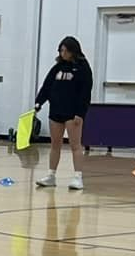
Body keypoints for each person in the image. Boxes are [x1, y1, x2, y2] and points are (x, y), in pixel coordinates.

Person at [34, 36, 93, 190]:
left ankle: (78, 177)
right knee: (55, 145)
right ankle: (51, 175)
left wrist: (80, 113)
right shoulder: (57, 68)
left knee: (75, 145)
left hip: (72, 114)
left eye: (65, 50)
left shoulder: (82, 68)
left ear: (73, 51)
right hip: (56, 112)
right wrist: (39, 102)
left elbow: (85, 92)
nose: (62, 53)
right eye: (61, 50)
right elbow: (46, 86)